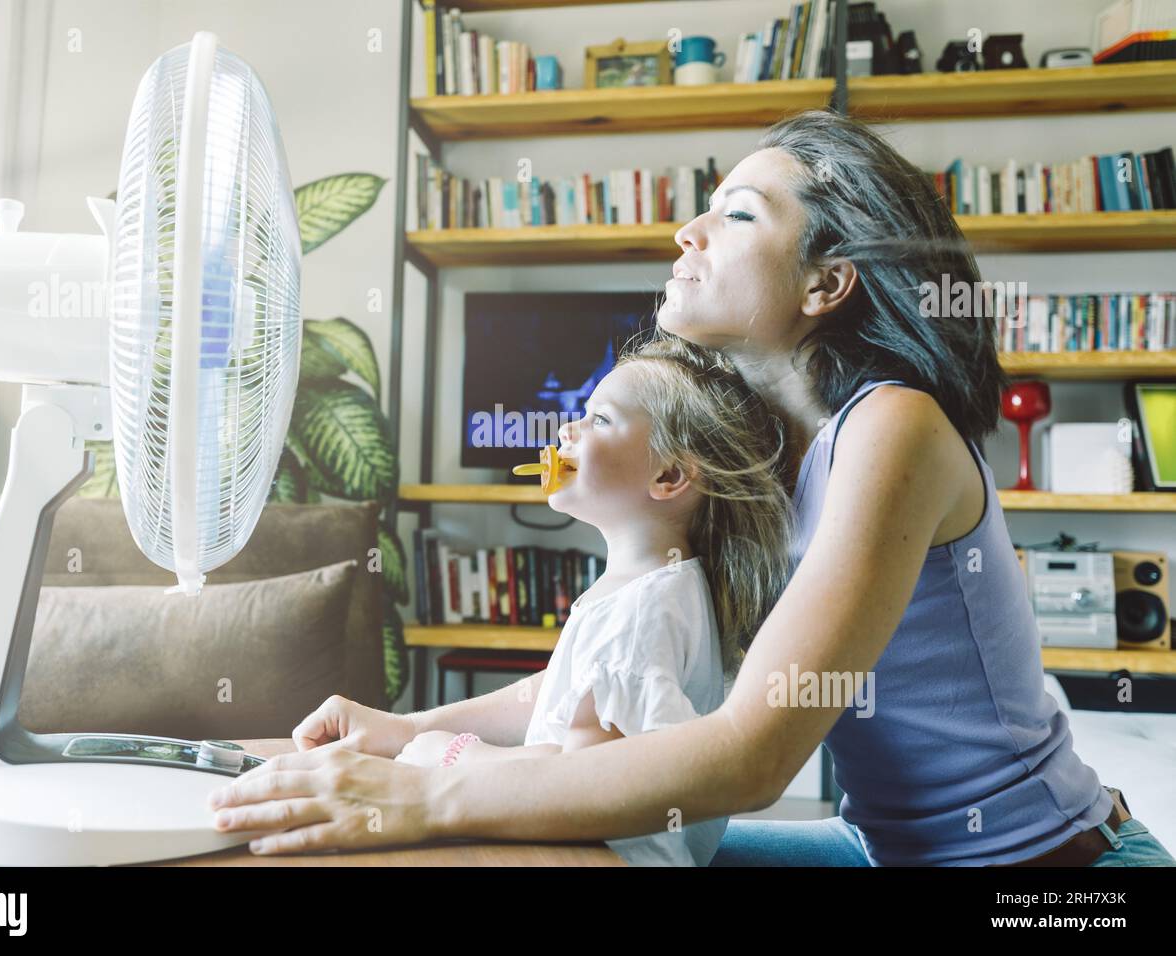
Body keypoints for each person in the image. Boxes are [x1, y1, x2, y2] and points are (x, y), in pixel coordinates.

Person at [208, 109, 1175, 867]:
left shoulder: (892, 430)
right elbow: (614, 665)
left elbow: (748, 756)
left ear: (825, 284)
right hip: (881, 853)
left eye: (739, 215)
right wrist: (410, 731)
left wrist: (424, 792)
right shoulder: (752, 461)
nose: (688, 230)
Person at [390, 340, 794, 865]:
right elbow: (565, 704)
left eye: (600, 419)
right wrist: (411, 728)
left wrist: (451, 754)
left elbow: (576, 791)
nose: (567, 430)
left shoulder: (640, 612)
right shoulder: (653, 587)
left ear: (669, 476)